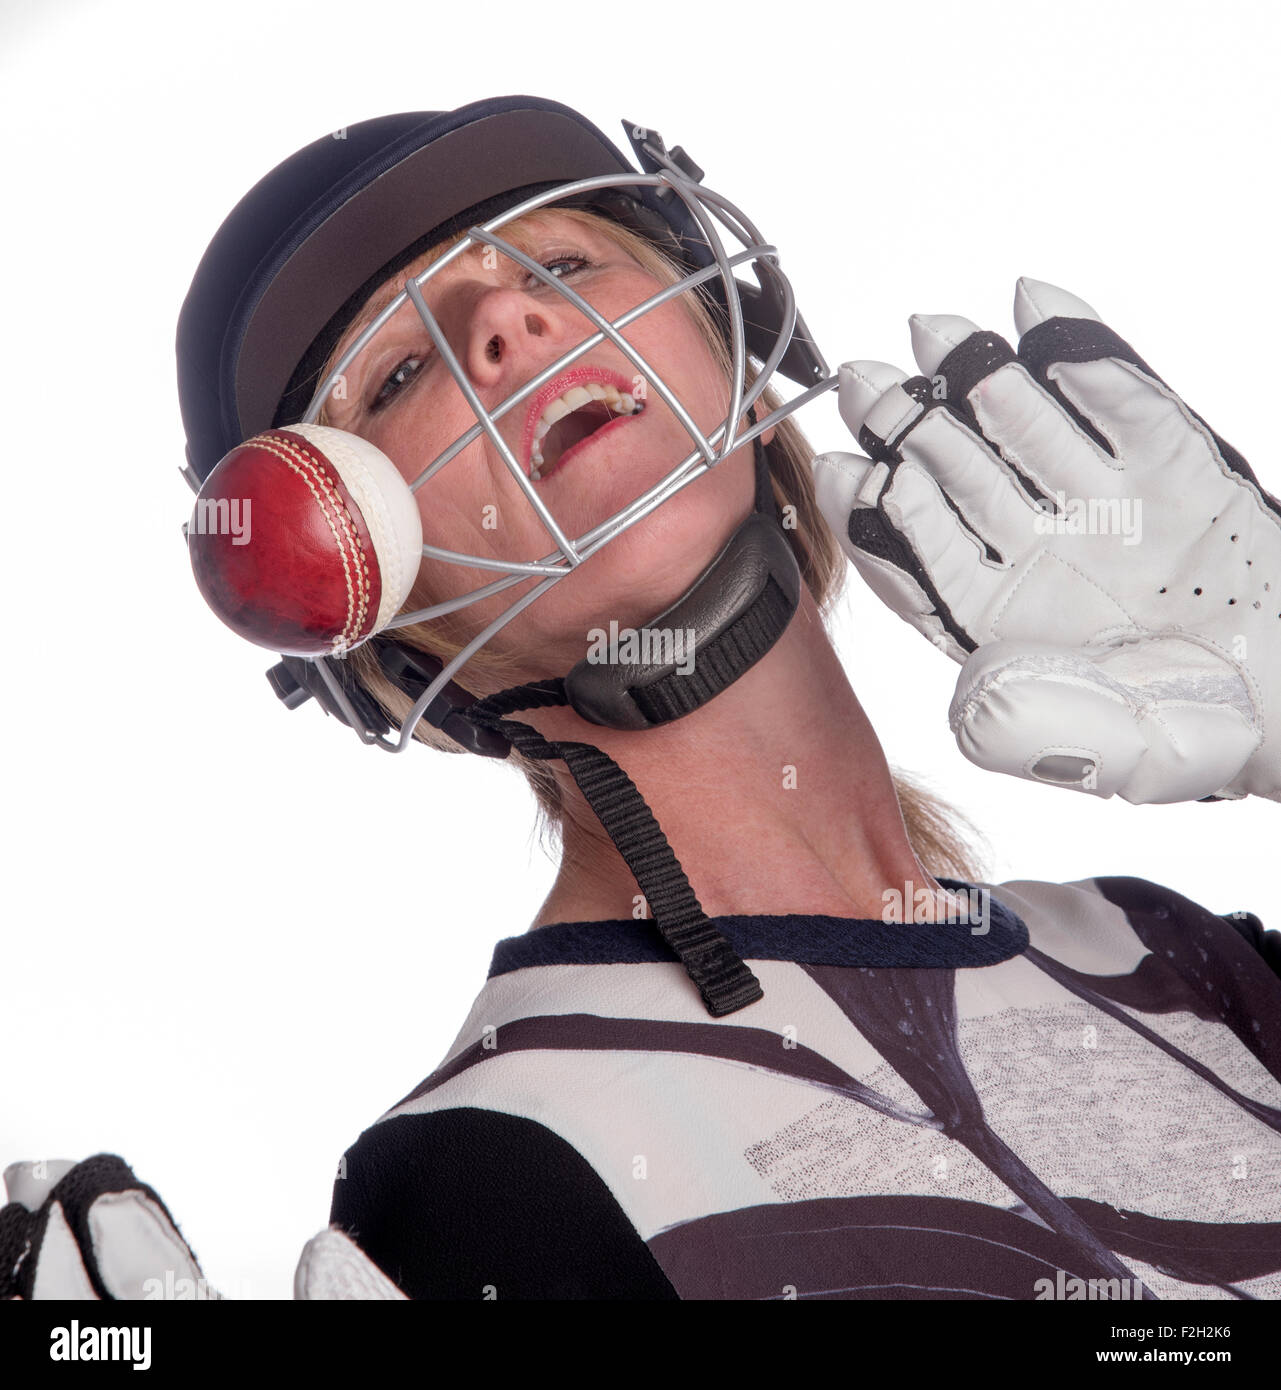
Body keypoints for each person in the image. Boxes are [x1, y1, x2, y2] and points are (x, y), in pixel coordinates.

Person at [5, 95, 1280, 1302]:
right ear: (370, 602)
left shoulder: (1187, 964)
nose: (508, 322)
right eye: (397, 377)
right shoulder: (496, 1167)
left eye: (564, 265)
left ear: (723, 341)